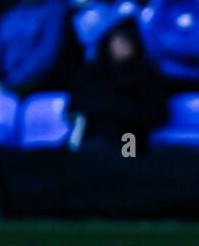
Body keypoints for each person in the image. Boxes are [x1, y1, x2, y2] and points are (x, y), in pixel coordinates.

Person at [68, 18, 168, 153]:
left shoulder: (147, 73)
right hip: (94, 133)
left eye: (127, 43)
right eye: (118, 41)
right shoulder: (92, 72)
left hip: (131, 135)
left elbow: (158, 113)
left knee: (128, 154)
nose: (122, 47)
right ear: (108, 42)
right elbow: (75, 106)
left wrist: (120, 110)